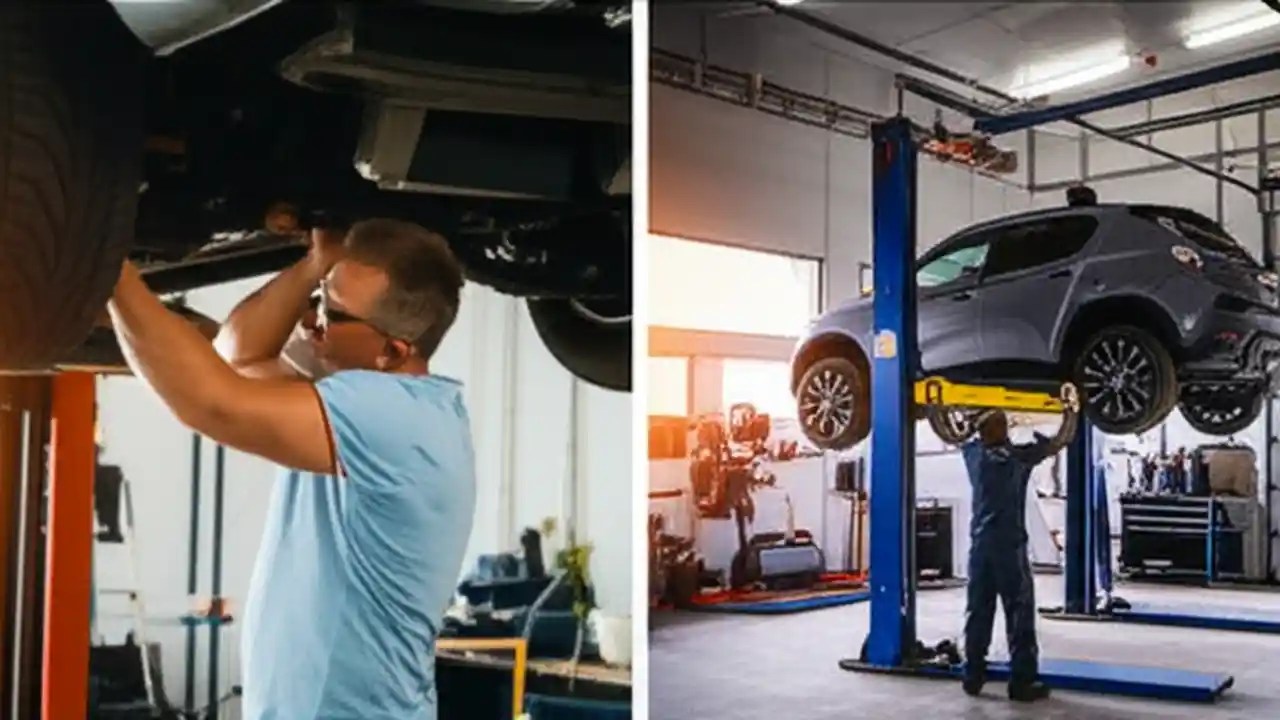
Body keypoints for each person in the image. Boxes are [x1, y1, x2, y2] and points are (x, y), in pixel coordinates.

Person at [106, 219, 474, 720]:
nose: (310, 323)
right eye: (320, 300)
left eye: (332, 314)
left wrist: (106, 264)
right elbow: (236, 355)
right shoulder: (366, 402)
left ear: (392, 352)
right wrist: (313, 267)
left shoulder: (398, 419)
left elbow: (213, 403)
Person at [959, 386, 1079, 703]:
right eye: (1002, 422)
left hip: (980, 548)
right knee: (1020, 613)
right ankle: (1022, 682)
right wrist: (1071, 412)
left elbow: (956, 431)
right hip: (1009, 548)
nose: (1007, 425)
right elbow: (1059, 442)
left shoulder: (973, 456)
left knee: (977, 612)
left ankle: (972, 676)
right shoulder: (1016, 458)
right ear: (996, 430)